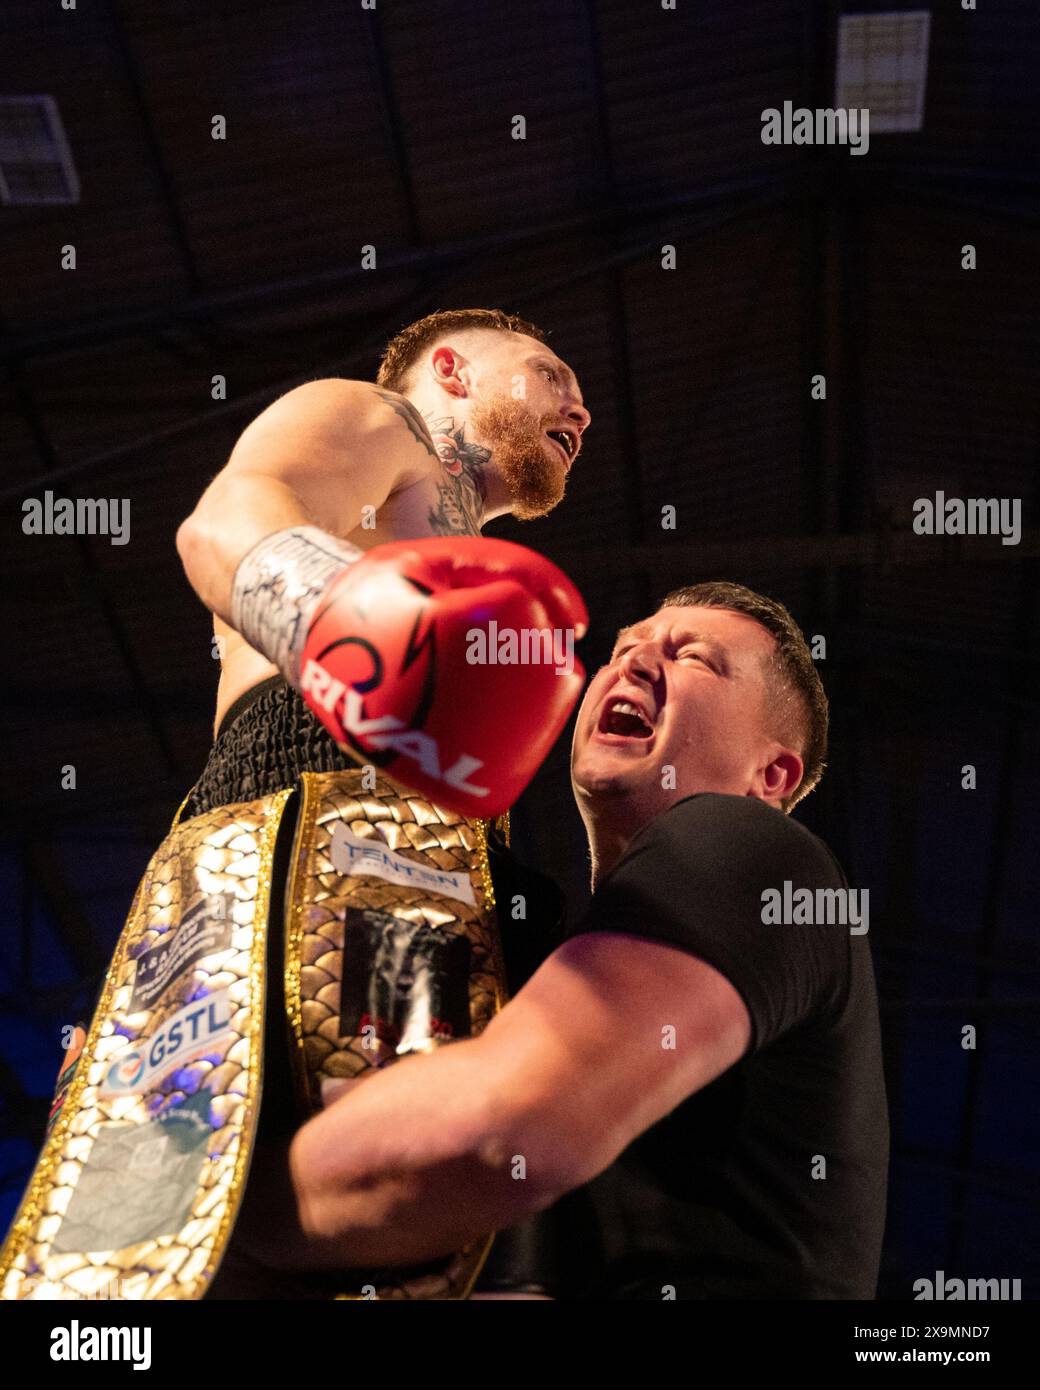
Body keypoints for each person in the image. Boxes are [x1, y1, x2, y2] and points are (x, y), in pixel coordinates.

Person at [7, 308, 591, 1302]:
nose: (579, 406)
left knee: (420, 1226)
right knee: (158, 1232)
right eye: (548, 373)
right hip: (288, 804)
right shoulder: (377, 418)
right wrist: (365, 636)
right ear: (448, 369)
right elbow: (226, 519)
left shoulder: (477, 563)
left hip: (423, 873)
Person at [236, 581, 890, 1300]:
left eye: (693, 657)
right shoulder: (553, 964)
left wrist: (202, 1214)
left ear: (770, 775)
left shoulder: (751, 845)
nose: (633, 665)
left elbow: (504, 1130)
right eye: (623, 649)